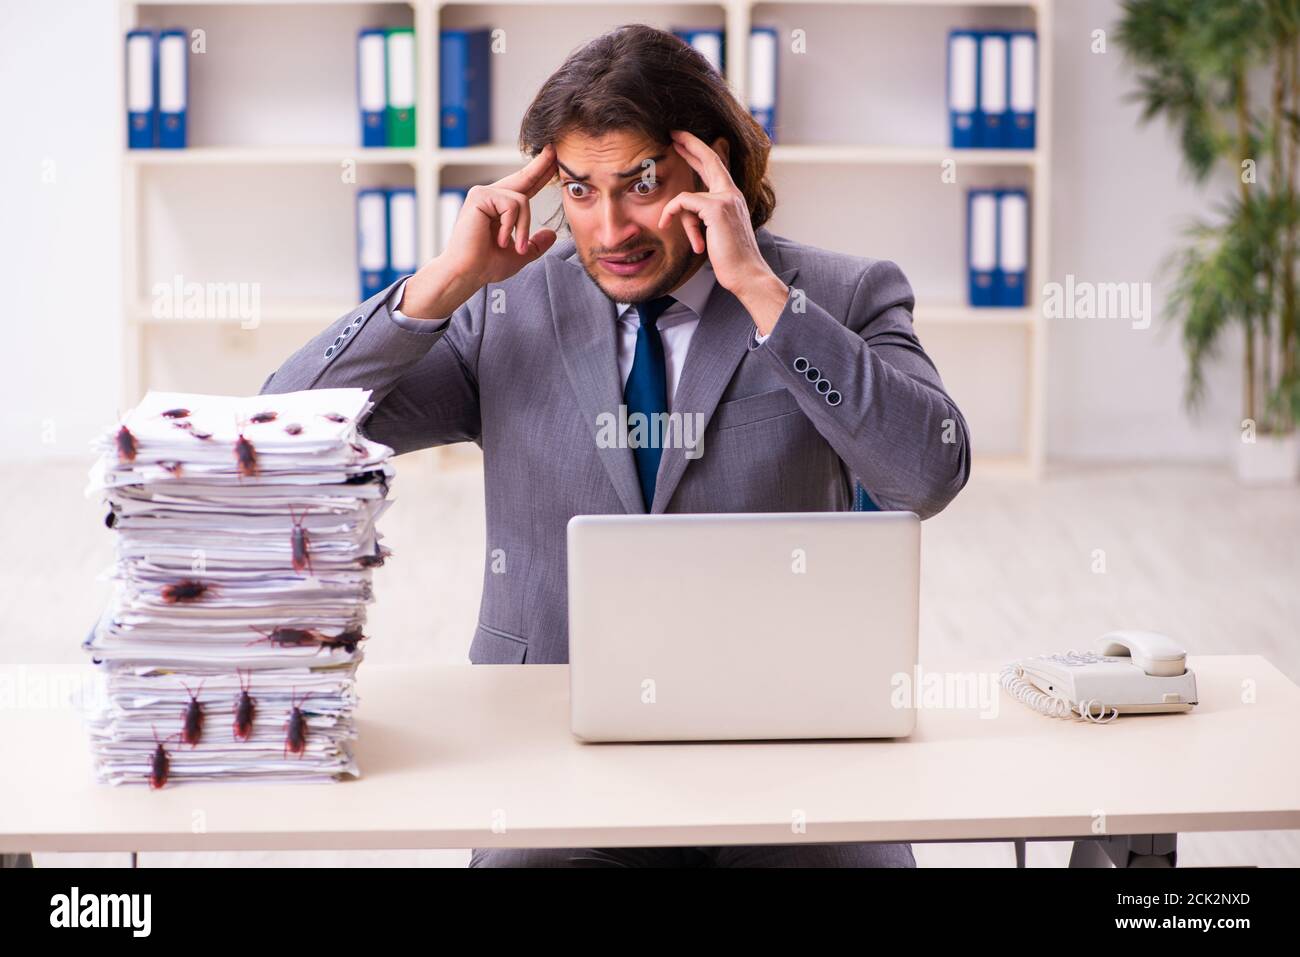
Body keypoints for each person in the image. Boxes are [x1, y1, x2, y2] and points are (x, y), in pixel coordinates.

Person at [262, 24, 970, 867]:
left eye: (639, 183)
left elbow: (928, 472)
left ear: (713, 168)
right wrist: (440, 285)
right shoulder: (503, 308)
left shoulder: (840, 296)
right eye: (580, 190)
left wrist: (763, 297)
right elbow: (280, 436)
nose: (607, 228)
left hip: (785, 743)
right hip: (544, 743)